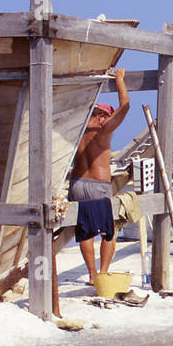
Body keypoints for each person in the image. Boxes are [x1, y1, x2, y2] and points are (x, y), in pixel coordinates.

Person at [70, 70, 132, 283]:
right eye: (108, 115)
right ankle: (103, 273)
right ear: (101, 116)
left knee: (85, 230)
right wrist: (120, 81)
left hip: (76, 184)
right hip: (98, 186)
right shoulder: (103, 128)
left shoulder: (78, 128)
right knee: (108, 232)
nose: (110, 119)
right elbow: (125, 106)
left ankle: (91, 274)